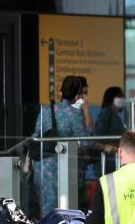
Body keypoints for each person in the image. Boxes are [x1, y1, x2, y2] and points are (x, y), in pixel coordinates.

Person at [32, 75, 93, 216]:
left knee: (46, 207)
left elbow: (36, 135)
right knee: (64, 208)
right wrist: (85, 110)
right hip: (61, 165)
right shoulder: (74, 113)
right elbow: (86, 142)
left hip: (41, 163)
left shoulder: (46, 109)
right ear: (78, 95)